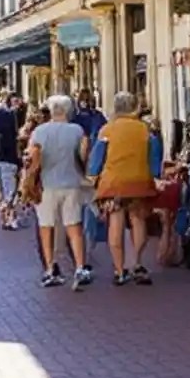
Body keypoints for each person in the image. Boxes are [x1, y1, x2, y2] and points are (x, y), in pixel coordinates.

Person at [87, 91, 162, 286]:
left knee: (115, 223)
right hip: (139, 181)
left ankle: (119, 270)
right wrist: (155, 176)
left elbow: (96, 159)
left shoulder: (107, 130)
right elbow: (154, 159)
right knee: (138, 220)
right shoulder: (145, 130)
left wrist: (92, 177)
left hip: (114, 183)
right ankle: (136, 262)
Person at [28, 95, 89, 290]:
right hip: (71, 182)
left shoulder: (39, 131)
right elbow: (83, 154)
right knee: (74, 226)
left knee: (46, 226)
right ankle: (80, 266)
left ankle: (50, 268)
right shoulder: (77, 131)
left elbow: (32, 156)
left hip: (46, 185)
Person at [72, 88, 107, 279]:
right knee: (90, 207)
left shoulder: (75, 121)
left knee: (81, 208)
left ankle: (83, 246)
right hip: (95, 169)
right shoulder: (99, 118)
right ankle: (89, 242)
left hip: (80, 170)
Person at [0, 90, 22, 231]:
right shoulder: (13, 116)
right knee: (11, 192)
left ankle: (6, 218)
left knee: (2, 191)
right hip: (10, 159)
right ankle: (9, 217)